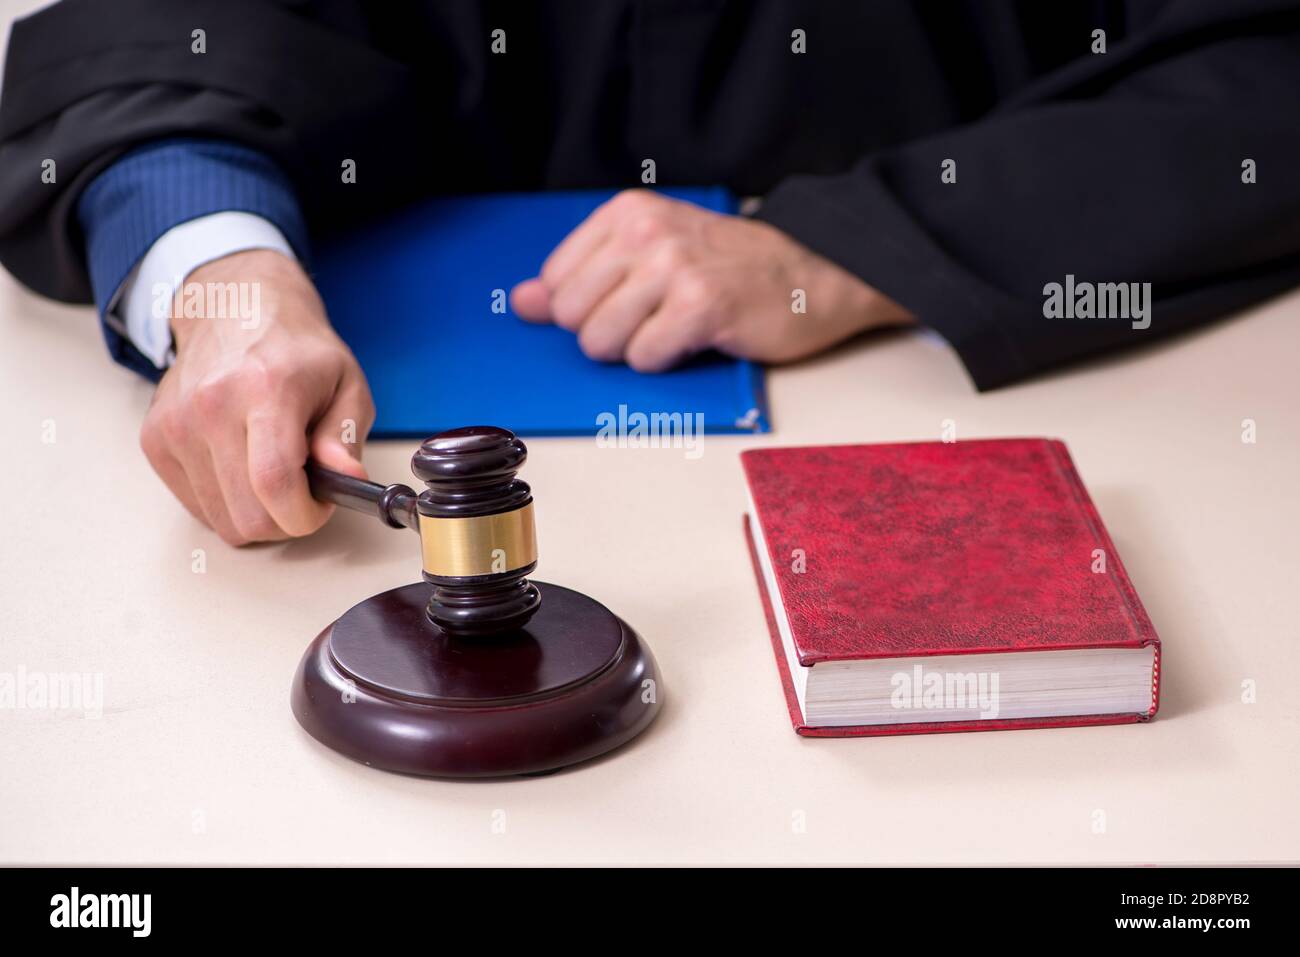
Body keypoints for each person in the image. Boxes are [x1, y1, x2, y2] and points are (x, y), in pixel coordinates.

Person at [1, 0, 1297, 545]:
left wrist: (850, 251)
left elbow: (1262, 76)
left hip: (974, 408)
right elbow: (141, 37)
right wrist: (225, 282)